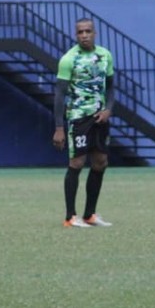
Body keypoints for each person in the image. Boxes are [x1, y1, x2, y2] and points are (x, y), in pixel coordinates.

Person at [53, 18, 115, 228]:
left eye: (88, 31)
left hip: (100, 118)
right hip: (79, 118)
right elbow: (59, 95)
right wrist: (59, 128)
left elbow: (111, 87)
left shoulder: (105, 55)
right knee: (77, 163)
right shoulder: (69, 59)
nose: (85, 35)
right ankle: (70, 217)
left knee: (100, 163)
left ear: (94, 33)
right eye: (80, 32)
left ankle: (90, 214)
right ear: (76, 35)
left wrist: (108, 109)